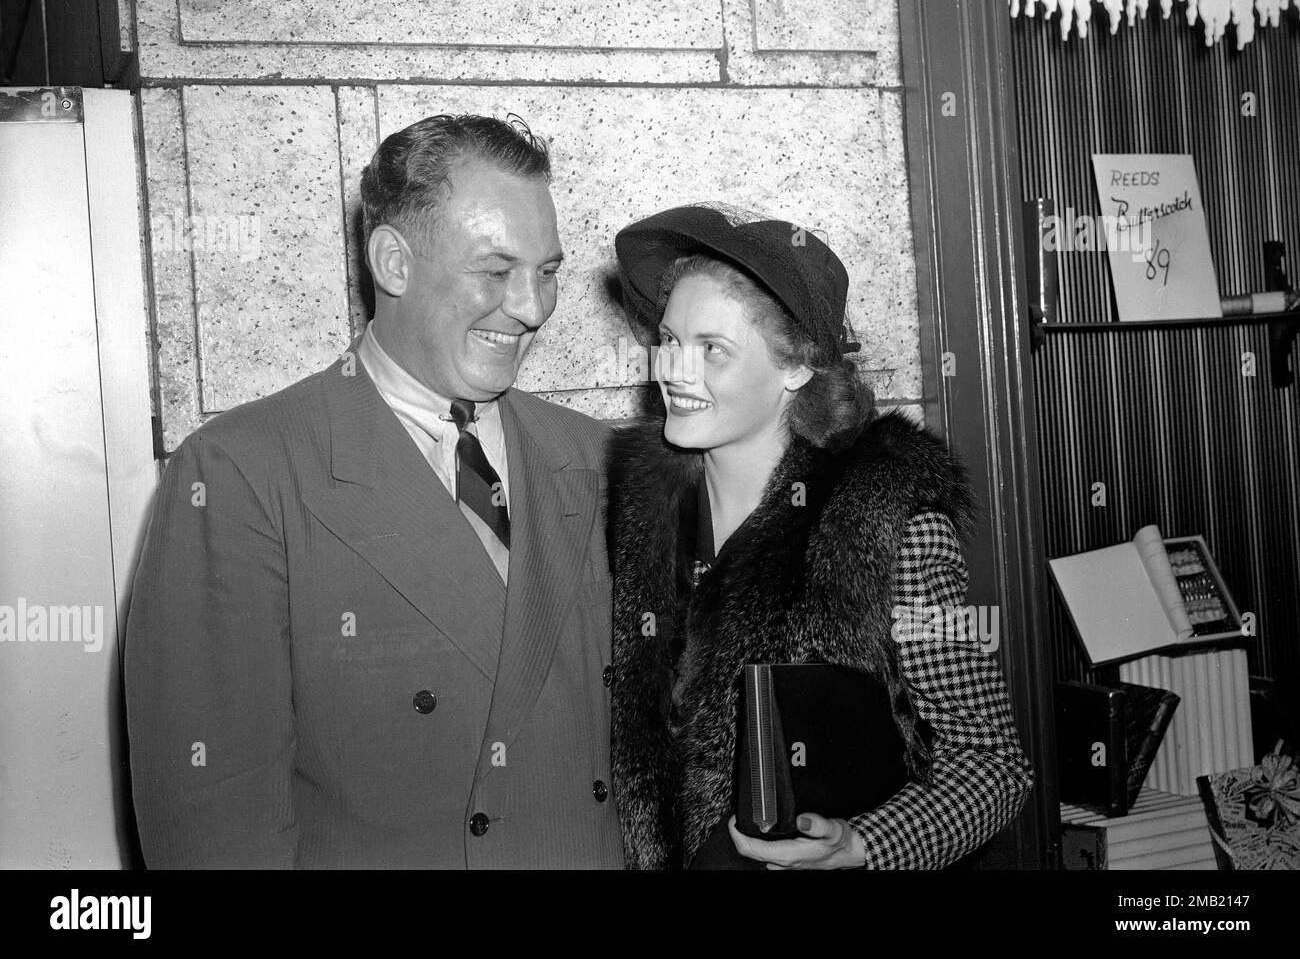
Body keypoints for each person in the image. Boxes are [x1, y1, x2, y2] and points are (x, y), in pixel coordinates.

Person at [125, 114, 624, 869]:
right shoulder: (240, 474)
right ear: (393, 261)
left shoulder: (596, 457)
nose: (532, 308)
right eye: (495, 270)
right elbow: (213, 820)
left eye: (547, 271)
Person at [607, 203, 1034, 870]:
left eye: (712, 350)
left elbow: (992, 767)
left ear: (796, 367)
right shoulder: (640, 517)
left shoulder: (886, 530)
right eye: (668, 339)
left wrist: (864, 844)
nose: (673, 370)